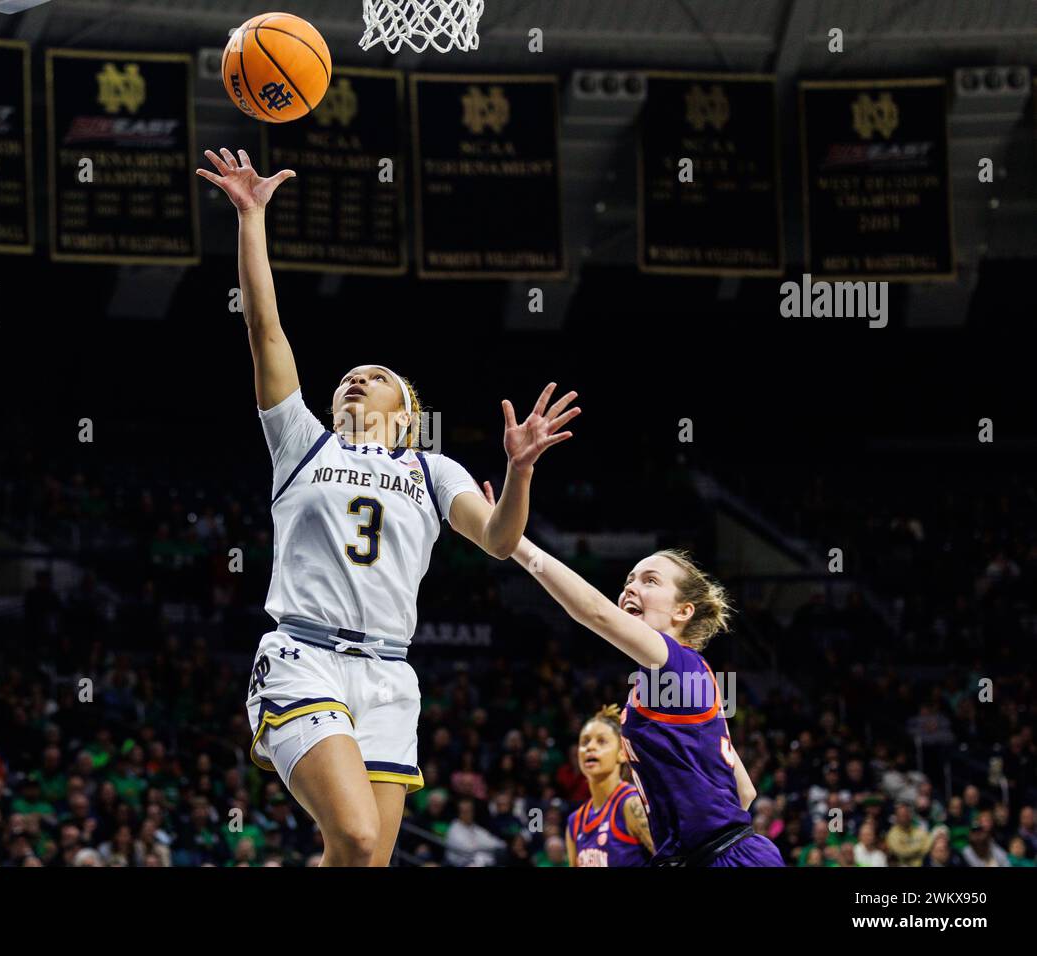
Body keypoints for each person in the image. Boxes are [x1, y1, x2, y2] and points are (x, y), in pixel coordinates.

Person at [196, 146, 579, 867]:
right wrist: (251, 219)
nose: (355, 381)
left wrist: (519, 470)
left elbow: (500, 540)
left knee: (363, 862)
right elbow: (265, 329)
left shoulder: (435, 469)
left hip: (390, 675)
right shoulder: (301, 444)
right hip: (305, 654)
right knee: (359, 834)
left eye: (374, 378)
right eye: (347, 376)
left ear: (406, 415)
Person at [501, 539, 783, 866]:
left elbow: (595, 612)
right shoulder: (667, 683)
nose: (631, 588)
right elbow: (744, 791)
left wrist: (515, 543)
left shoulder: (679, 665)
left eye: (650, 581)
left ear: (683, 611)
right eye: (629, 581)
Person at [566, 704, 652, 866]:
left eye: (602, 741)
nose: (590, 747)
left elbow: (671, 859)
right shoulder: (575, 822)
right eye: (584, 742)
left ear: (621, 753)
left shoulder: (631, 804)